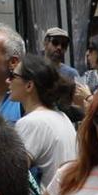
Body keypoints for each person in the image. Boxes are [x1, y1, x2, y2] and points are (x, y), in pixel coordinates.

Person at [9, 54, 79, 187]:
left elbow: (12, 176)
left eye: (13, 76)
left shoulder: (31, 122)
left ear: (29, 85)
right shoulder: (61, 116)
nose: (8, 80)